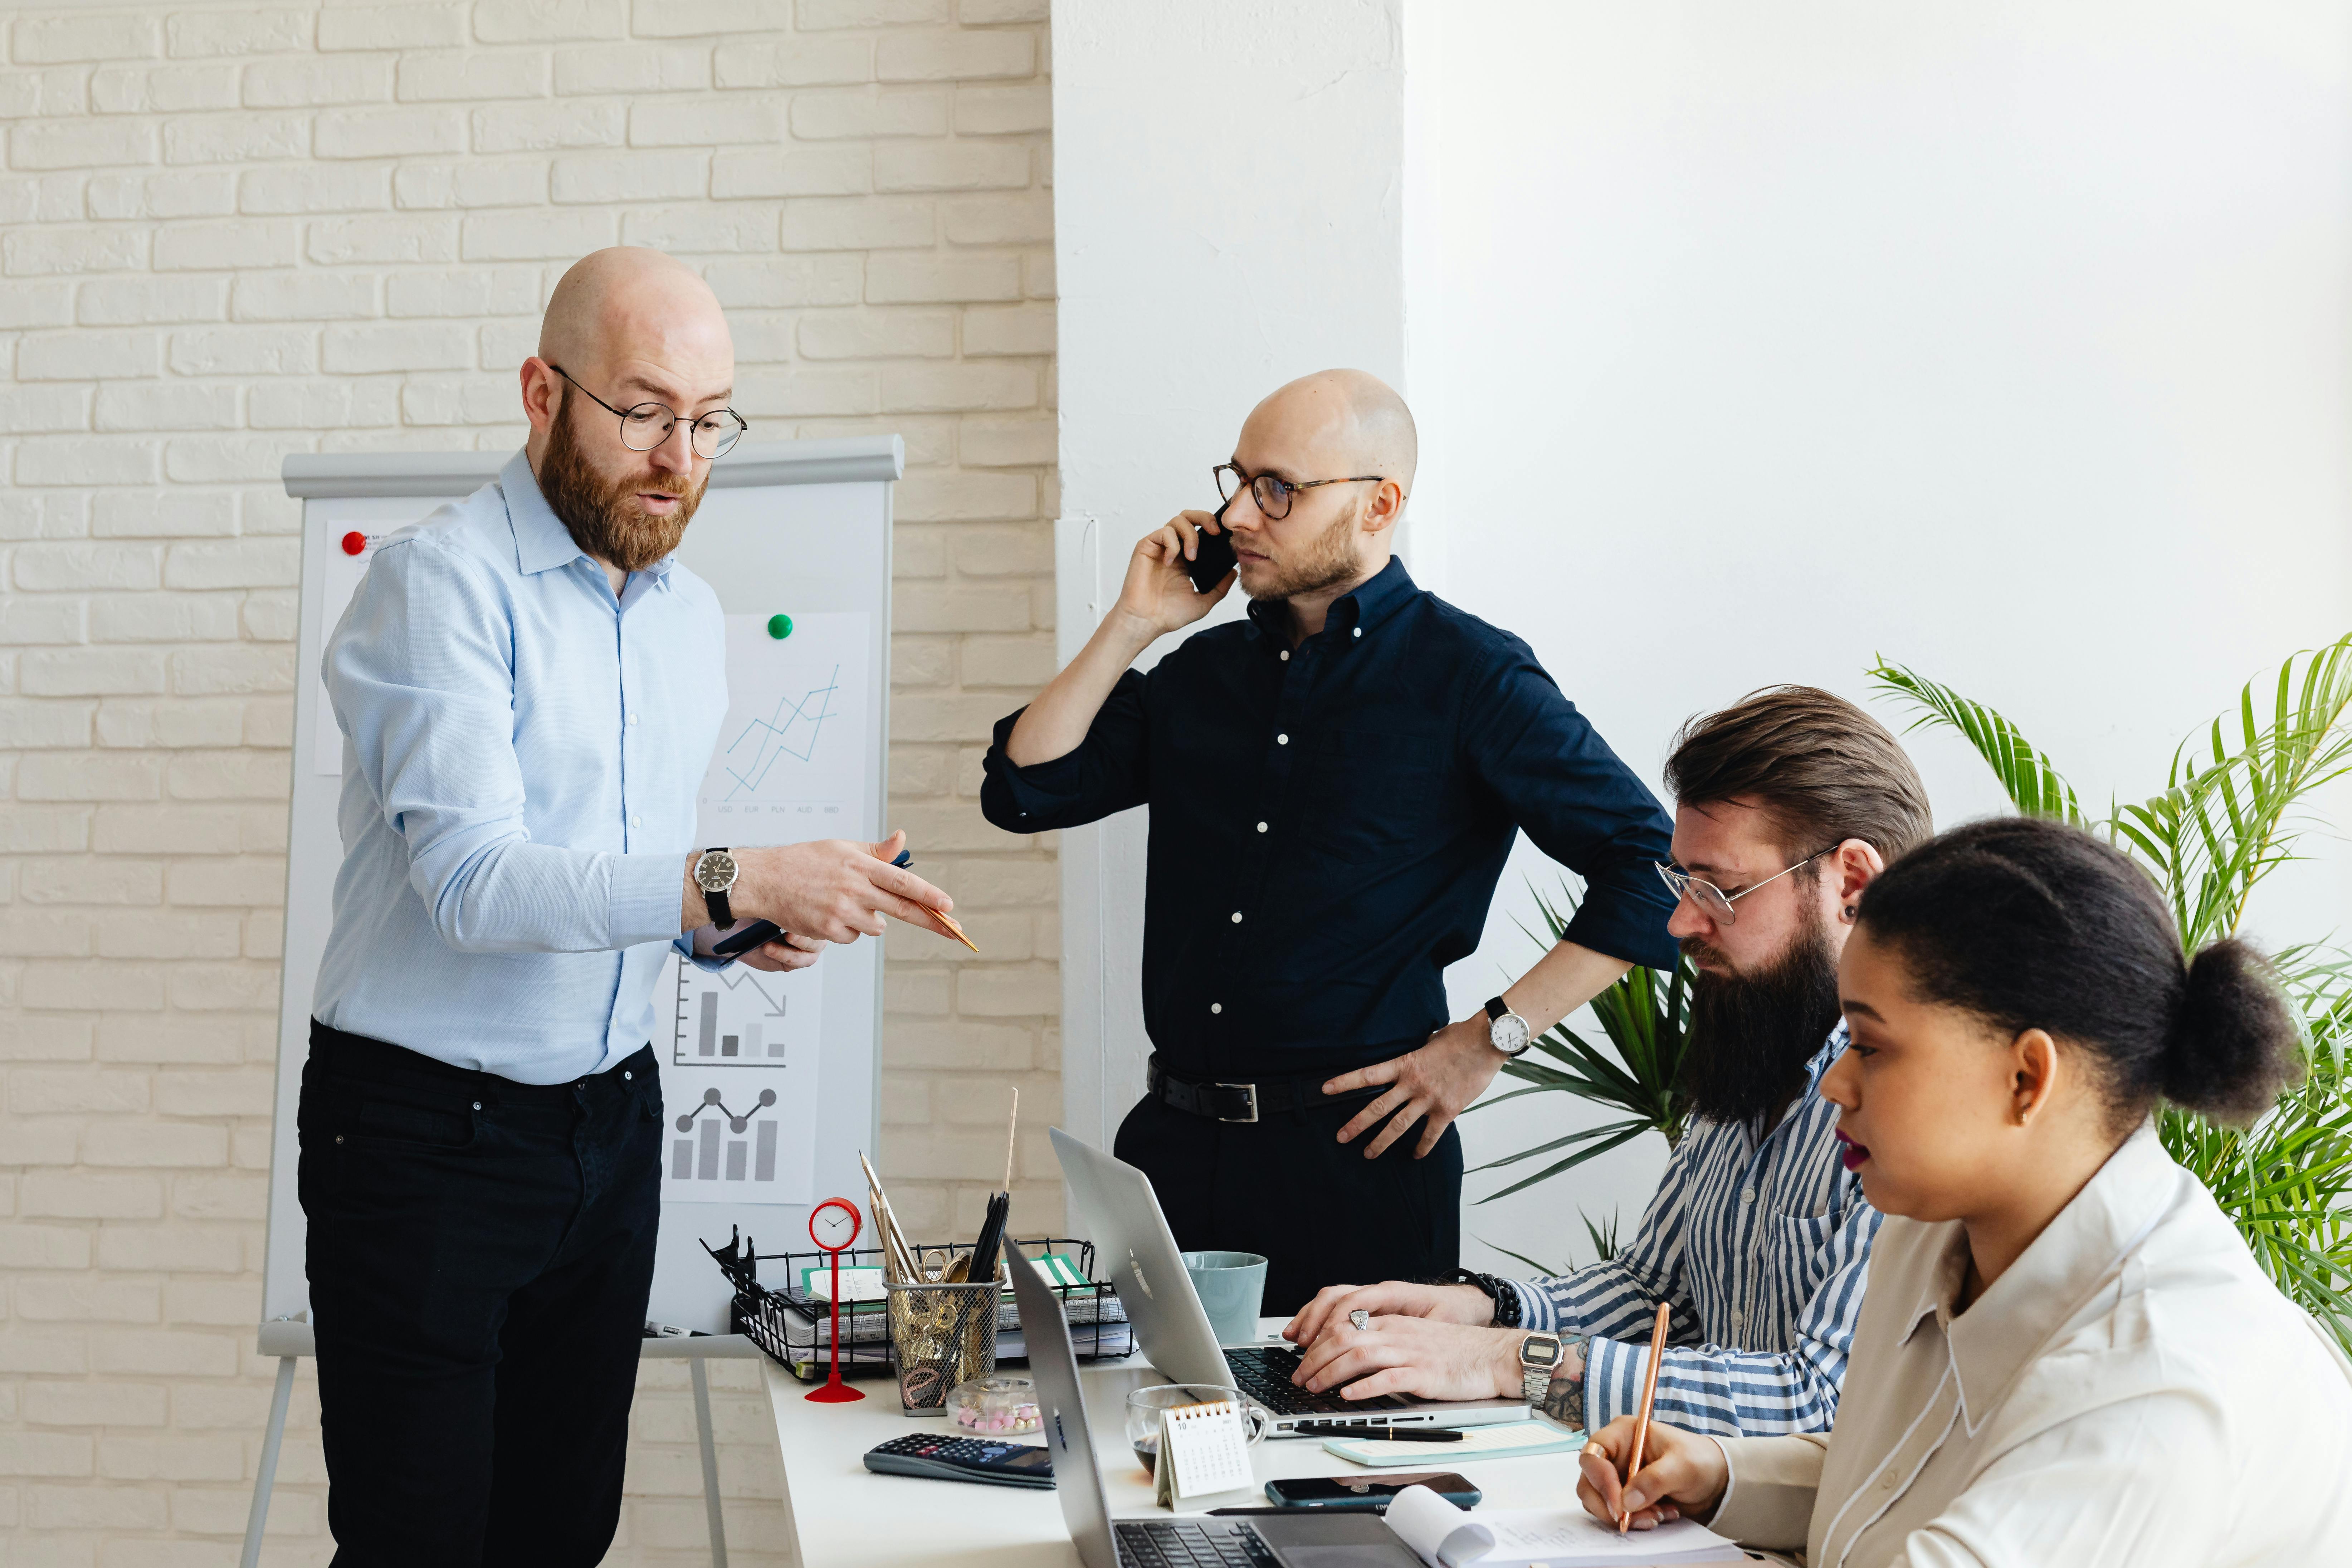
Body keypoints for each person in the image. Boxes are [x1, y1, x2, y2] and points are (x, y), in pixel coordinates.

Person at [302, 248, 958, 1567]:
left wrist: (728, 930)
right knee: (418, 1541)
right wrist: (734, 874)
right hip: (425, 1134)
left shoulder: (683, 615)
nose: (680, 455)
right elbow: (479, 884)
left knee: (562, 1531)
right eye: (644, 410)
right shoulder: (438, 586)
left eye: (709, 420)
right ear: (542, 393)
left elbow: (626, 872)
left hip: (609, 1118)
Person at [979, 369, 1677, 1311]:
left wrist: (1487, 1040)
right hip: (1173, 1152)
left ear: (1378, 504)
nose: (1234, 514)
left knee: (1354, 1460)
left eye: (1277, 489)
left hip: (1359, 1163)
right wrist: (1132, 623)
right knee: (1149, 1445)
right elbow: (1027, 789)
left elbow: (1652, 868)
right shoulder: (1200, 674)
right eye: (1235, 479)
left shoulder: (1470, 676)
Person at [1578, 817, 2352, 1565]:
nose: (1835, 1086)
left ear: (2026, 1077)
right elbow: (1908, 1473)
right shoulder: (1933, 1230)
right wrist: (1719, 1472)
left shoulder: (2151, 1384)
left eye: (1870, 1045)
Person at [1287, 688, 1930, 1436]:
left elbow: (1822, 1400)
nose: (1680, 923)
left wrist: (1506, 1362)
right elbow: (1657, 1293)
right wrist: (1480, 1308)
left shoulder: (1921, 1105)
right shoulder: (1753, 1046)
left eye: (1718, 890)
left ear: (1849, 883)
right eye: (1680, 883)